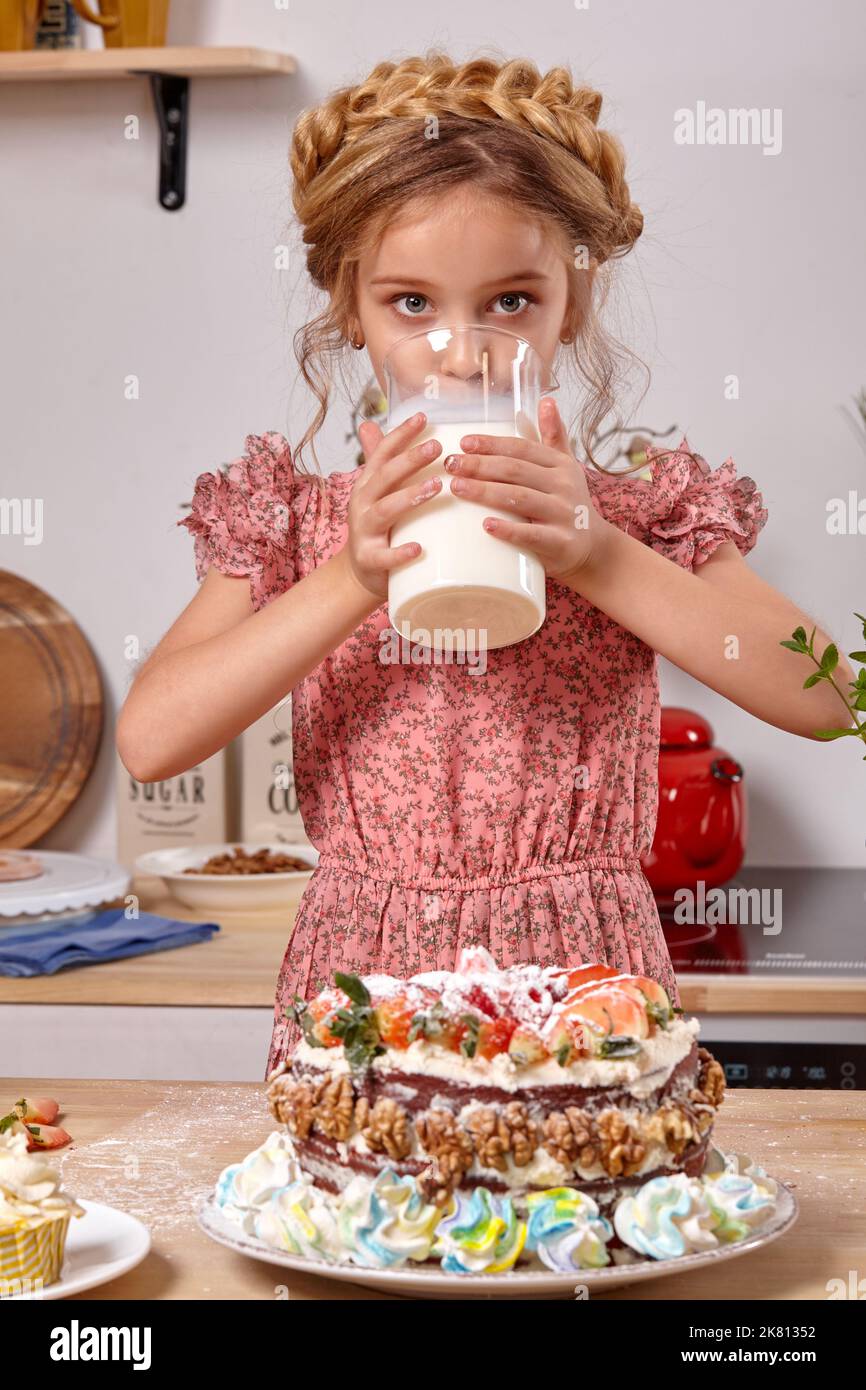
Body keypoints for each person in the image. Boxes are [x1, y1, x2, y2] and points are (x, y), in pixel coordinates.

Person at [116, 52, 853, 1079]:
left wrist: (599, 554)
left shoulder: (637, 510)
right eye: (410, 304)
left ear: (571, 304)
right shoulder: (299, 521)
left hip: (583, 985)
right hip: (364, 987)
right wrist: (350, 579)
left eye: (509, 301)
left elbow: (826, 695)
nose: (459, 354)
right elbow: (152, 738)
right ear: (349, 309)